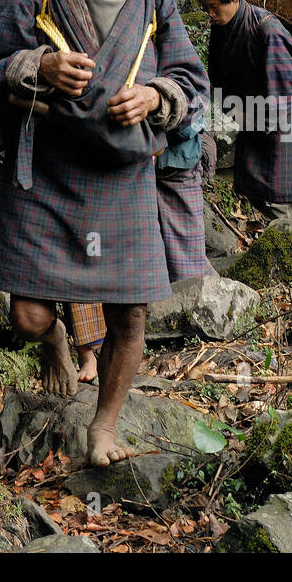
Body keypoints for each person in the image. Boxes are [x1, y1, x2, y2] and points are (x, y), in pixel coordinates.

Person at [0, 0, 208, 467]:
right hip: (46, 172)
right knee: (26, 314)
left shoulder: (156, 2)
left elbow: (192, 82)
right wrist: (37, 66)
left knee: (131, 315)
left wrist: (156, 95)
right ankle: (55, 346)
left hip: (124, 177)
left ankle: (104, 426)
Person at [70, 103, 216, 383]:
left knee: (188, 271)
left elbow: (191, 101)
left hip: (173, 156)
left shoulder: (178, 70)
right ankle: (91, 353)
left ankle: (184, 324)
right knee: (90, 247)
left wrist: (154, 124)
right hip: (110, 155)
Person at [191, 0, 292, 233]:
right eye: (206, 8)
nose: (210, 14)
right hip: (250, 116)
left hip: (283, 124)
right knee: (256, 189)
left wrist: (254, 116)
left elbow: (288, 85)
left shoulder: (267, 29)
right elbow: (219, 76)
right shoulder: (222, 28)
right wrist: (228, 110)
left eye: (215, 6)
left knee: (279, 201)